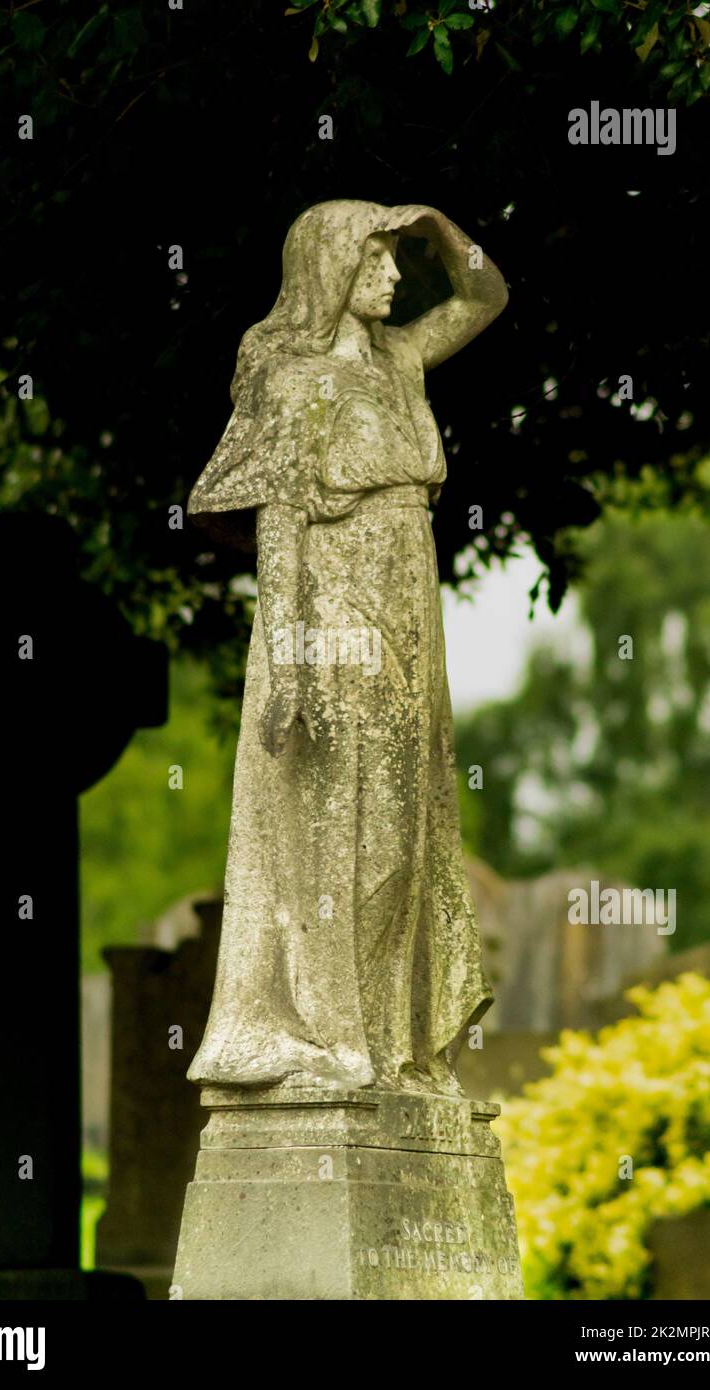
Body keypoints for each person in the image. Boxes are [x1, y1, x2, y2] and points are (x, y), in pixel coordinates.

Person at [187, 200, 508, 1095]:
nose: (398, 278)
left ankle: (395, 1034)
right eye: (379, 259)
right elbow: (283, 530)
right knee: (336, 831)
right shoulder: (290, 381)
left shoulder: (400, 360)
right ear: (331, 265)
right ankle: (332, 1035)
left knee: (404, 837)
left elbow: (483, 295)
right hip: (334, 618)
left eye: (399, 260)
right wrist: (287, 669)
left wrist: (441, 229)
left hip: (410, 605)